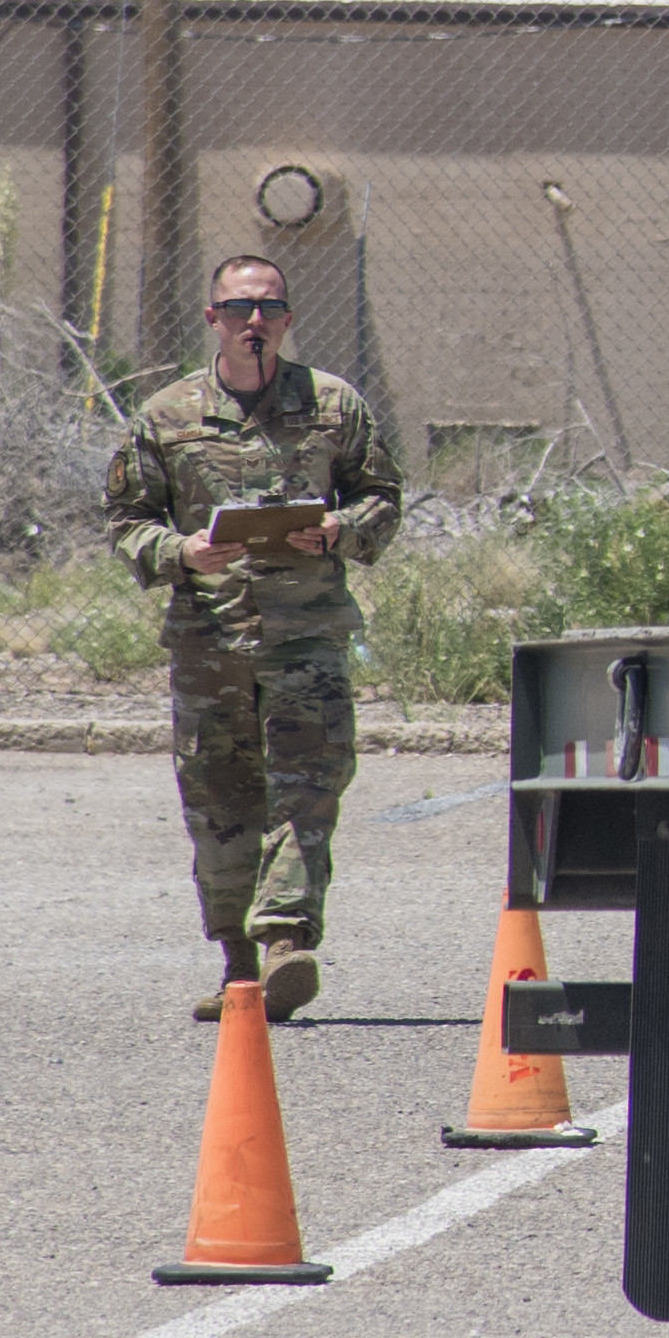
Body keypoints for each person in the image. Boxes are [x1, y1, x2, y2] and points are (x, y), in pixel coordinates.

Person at [103, 252, 406, 1020]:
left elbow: (383, 499)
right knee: (219, 799)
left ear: (288, 318)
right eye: (239, 309)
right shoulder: (167, 417)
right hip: (210, 641)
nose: (255, 321)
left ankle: (285, 943)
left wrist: (341, 528)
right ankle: (238, 964)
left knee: (308, 788)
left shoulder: (336, 407)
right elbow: (128, 522)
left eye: (269, 308)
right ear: (213, 321)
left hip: (305, 638)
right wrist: (182, 552)